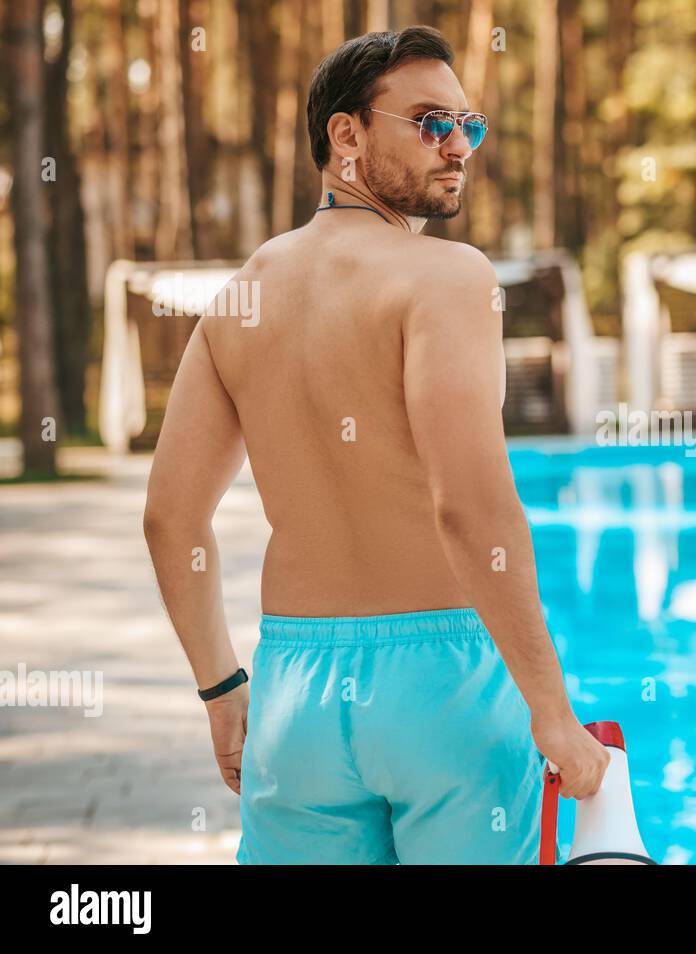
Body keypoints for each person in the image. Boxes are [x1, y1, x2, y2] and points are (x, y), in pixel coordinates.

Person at [142, 26, 609, 864]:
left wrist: (222, 691)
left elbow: (171, 521)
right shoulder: (449, 278)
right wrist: (549, 707)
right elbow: (470, 506)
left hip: (294, 697)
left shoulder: (238, 299)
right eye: (431, 122)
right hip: (447, 689)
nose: (458, 145)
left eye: (468, 124)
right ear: (346, 135)